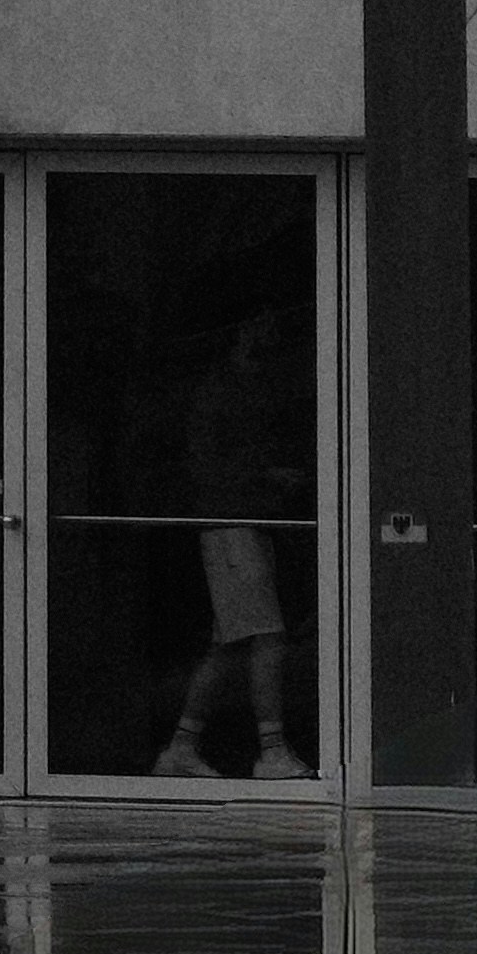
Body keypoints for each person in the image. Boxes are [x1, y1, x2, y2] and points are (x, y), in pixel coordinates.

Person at [161, 283, 313, 776]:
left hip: (247, 522)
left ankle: (181, 748)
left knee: (229, 642)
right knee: (268, 636)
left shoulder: (250, 385)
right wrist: (265, 475)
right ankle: (270, 750)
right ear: (245, 329)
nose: (274, 329)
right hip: (231, 524)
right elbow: (209, 465)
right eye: (265, 320)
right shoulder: (221, 390)